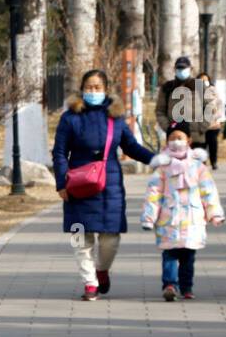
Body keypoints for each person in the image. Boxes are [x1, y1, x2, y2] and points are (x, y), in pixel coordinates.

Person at [52, 68, 156, 301]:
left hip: (109, 186)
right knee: (79, 237)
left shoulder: (115, 118)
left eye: (97, 87)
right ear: (82, 89)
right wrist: (61, 182)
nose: (93, 91)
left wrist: (155, 160)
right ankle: (90, 283)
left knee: (111, 238)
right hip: (76, 186)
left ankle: (101, 269)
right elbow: (59, 152)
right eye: (89, 87)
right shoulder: (70, 117)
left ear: (106, 89)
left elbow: (131, 147)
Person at [141, 124, 225, 300]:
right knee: (170, 254)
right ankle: (170, 285)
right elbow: (153, 193)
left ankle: (187, 286)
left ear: (189, 140)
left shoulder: (198, 166)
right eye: (172, 138)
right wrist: (149, 217)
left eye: (180, 138)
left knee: (188, 255)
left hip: (192, 219)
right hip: (169, 218)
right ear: (167, 142)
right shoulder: (163, 167)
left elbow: (208, 191)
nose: (176, 141)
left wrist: (214, 213)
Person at [155, 55, 205, 145]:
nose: (181, 71)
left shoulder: (199, 85)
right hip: (174, 138)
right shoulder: (167, 87)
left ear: (190, 69)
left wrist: (201, 127)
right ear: (174, 69)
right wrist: (169, 128)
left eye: (184, 68)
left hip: (196, 136)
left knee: (197, 158)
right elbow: (160, 111)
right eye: (179, 68)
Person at [194, 72, 224, 169]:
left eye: (205, 80)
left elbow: (220, 106)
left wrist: (217, 117)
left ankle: (214, 161)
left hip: (213, 124)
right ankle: (202, 162)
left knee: (213, 144)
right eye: (201, 80)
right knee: (201, 144)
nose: (204, 82)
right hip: (199, 124)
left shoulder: (214, 91)